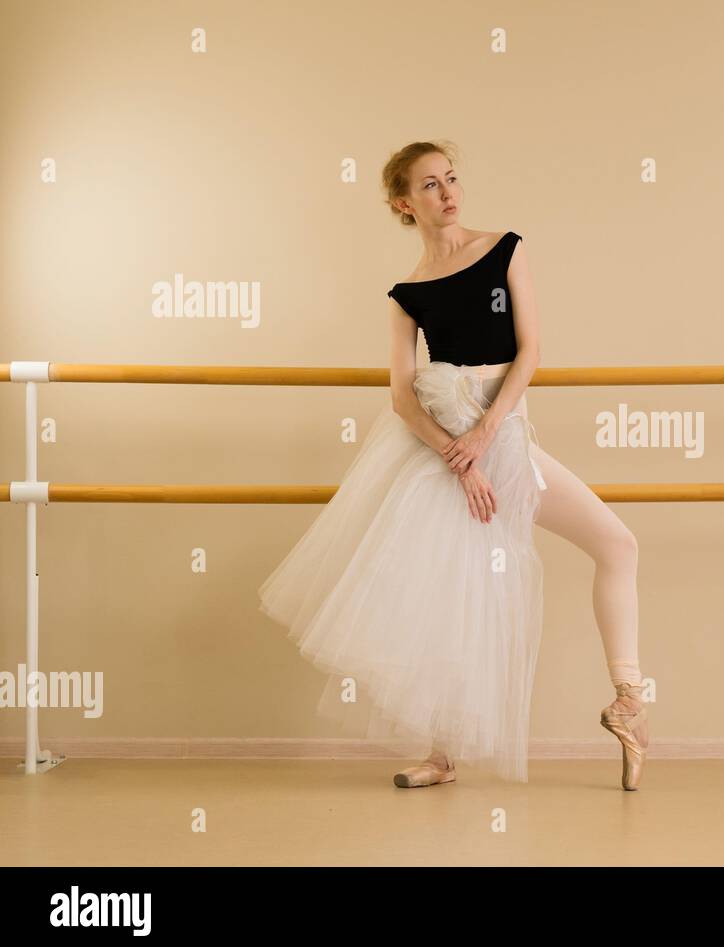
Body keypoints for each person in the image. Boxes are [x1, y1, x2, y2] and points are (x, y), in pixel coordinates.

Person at [257, 140, 648, 790]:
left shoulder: (504, 250)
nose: (448, 193)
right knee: (452, 595)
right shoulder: (409, 294)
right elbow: (402, 394)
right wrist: (459, 460)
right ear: (403, 204)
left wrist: (489, 434)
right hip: (446, 457)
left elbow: (530, 352)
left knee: (618, 543)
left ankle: (629, 703)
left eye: (452, 178)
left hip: (507, 441)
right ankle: (441, 754)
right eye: (430, 185)